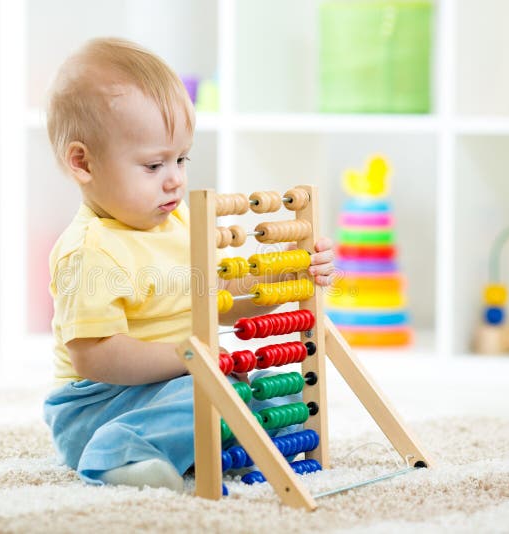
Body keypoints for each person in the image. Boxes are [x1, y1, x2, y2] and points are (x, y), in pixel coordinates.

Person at [42, 37, 336, 492]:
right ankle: (115, 455)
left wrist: (288, 280)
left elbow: (220, 305)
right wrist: (187, 359)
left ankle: (205, 446)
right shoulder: (89, 251)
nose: (176, 178)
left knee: (286, 390)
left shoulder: (180, 223)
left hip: (181, 376)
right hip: (101, 403)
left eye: (181, 158)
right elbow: (94, 356)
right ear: (84, 162)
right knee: (204, 395)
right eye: (154, 165)